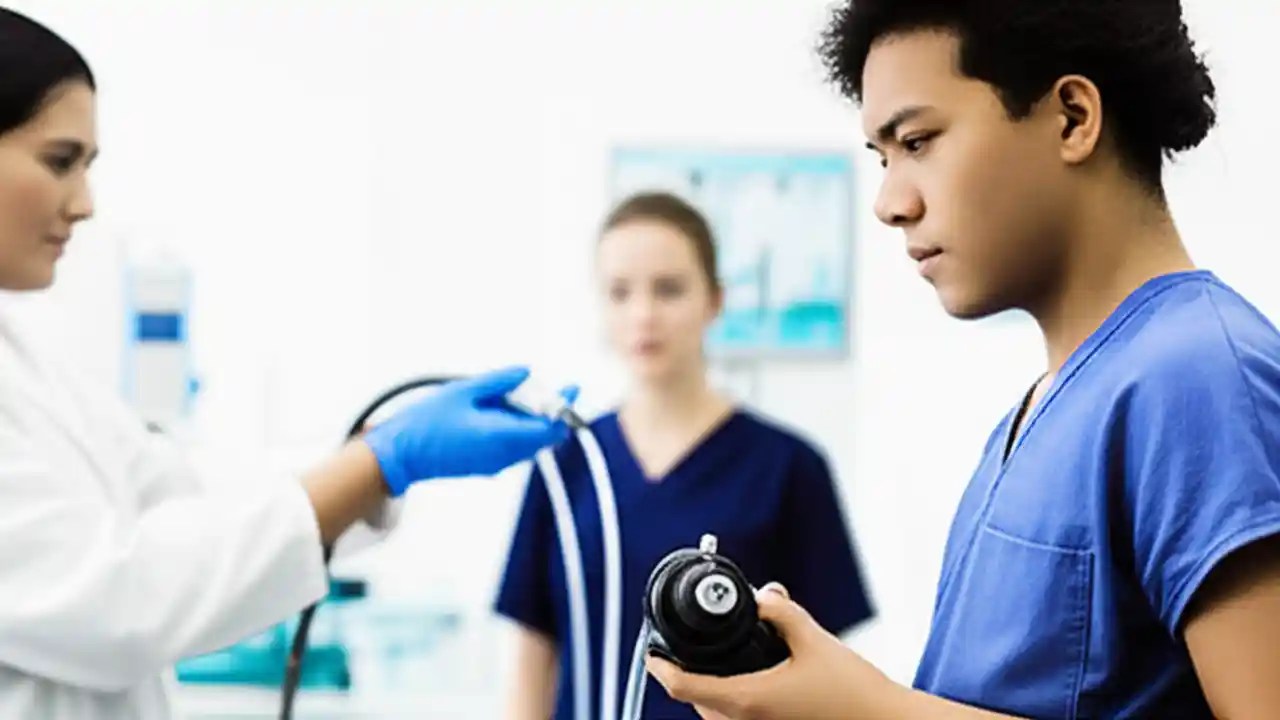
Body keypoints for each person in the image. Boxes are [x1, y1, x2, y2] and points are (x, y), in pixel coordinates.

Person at [645, 1, 1280, 719]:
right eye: (884, 159)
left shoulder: (1203, 379)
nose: (889, 202)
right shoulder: (1035, 417)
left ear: (1072, 117)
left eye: (917, 141)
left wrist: (869, 711)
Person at [0, 9, 574, 719]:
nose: (84, 205)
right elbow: (116, 603)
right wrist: (378, 463)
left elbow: (189, 494)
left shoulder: (29, 364)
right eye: (60, 161)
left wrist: (372, 457)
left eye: (88, 167)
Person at [495, 191, 874, 719]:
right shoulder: (564, 466)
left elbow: (823, 665)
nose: (643, 314)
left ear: (714, 300)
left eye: (669, 289)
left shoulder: (789, 467)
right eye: (620, 293)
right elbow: (533, 657)